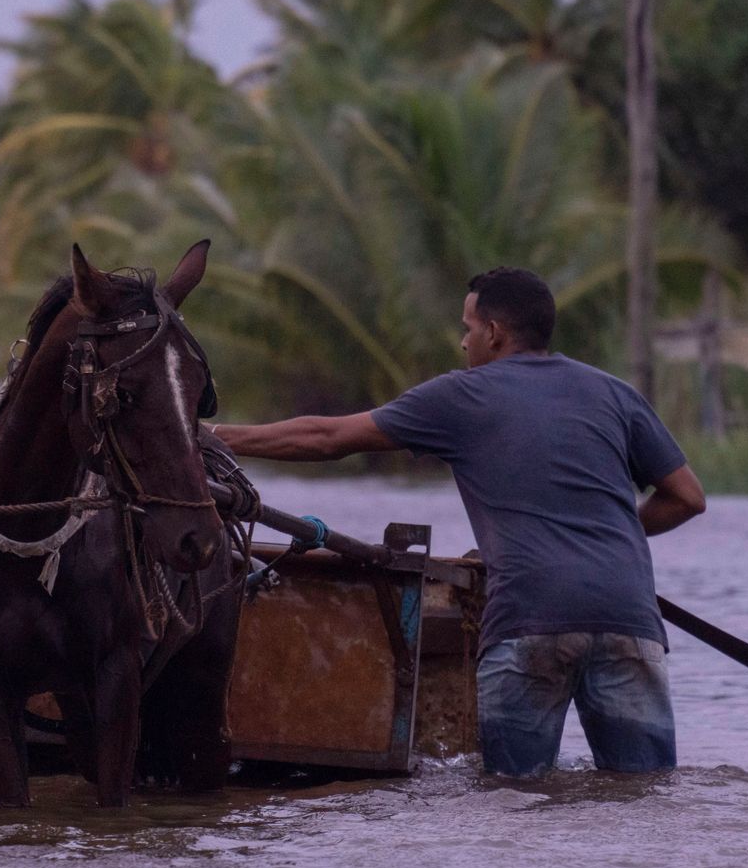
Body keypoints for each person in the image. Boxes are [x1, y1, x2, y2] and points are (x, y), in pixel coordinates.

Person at [212, 268, 706, 778]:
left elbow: (327, 438)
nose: (464, 342)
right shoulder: (615, 394)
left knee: (515, 797)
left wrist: (213, 437)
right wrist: (610, 538)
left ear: (494, 332)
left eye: (468, 329)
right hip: (629, 616)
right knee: (642, 793)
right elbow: (688, 498)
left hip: (529, 617)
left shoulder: (461, 396)